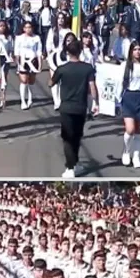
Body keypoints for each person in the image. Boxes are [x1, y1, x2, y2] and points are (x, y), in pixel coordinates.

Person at [52, 38, 99, 179]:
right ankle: (75, 163)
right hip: (81, 107)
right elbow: (92, 87)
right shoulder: (87, 68)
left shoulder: (62, 69)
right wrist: (96, 103)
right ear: (80, 51)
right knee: (77, 137)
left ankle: (70, 167)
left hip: (66, 107)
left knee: (68, 138)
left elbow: (50, 82)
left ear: (67, 52)